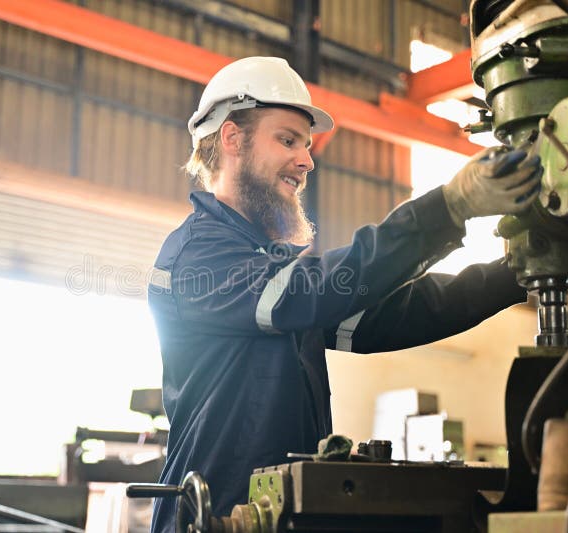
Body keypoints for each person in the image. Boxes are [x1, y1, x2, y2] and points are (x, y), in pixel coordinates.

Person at [146, 56, 541, 532]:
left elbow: (400, 313)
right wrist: (448, 207)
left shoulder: (274, 275)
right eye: (287, 140)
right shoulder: (197, 258)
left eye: (306, 145)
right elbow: (310, 292)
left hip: (281, 516)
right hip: (214, 516)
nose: (306, 161)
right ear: (232, 138)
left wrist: (515, 273)